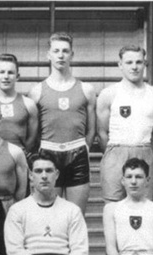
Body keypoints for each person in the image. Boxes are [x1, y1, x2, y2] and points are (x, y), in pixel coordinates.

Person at [28, 32, 96, 215]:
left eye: (65, 51)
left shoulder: (86, 90)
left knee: (76, 216)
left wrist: (82, 148)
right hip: (48, 153)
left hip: (78, 154)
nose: (60, 55)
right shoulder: (36, 91)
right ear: (48, 54)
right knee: (49, 215)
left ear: (72, 54)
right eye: (56, 51)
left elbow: (91, 130)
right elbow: (33, 133)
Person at [97, 45, 153, 202]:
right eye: (129, 62)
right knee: (113, 207)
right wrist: (114, 154)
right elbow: (101, 133)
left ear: (144, 64)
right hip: (115, 152)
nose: (134, 67)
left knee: (144, 208)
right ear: (120, 65)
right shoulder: (108, 94)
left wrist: (143, 151)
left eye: (138, 62)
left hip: (144, 151)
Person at [0, 53, 39, 150]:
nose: (6, 76)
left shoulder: (29, 104)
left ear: (17, 76)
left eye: (10, 72)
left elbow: (32, 139)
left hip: (20, 159)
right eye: (2, 72)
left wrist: (20, 155)